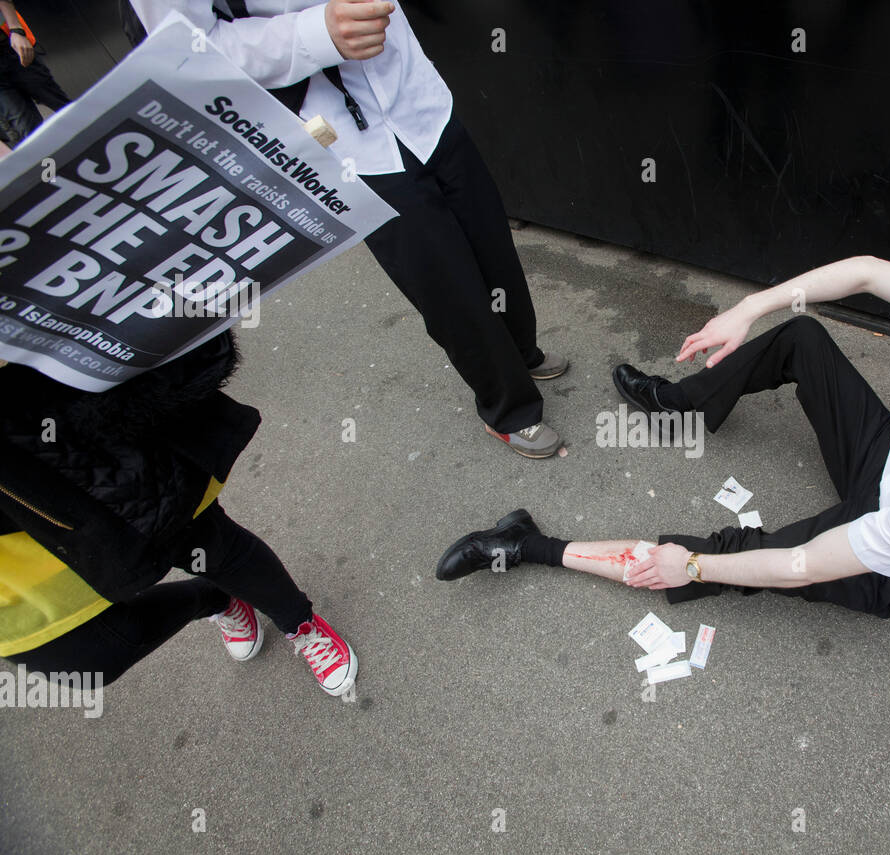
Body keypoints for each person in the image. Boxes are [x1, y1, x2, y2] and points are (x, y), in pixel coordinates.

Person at [436, 185, 890, 617]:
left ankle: (525, 543)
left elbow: (799, 565)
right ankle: (685, 408)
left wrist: (693, 570)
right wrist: (749, 309)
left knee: (712, 557)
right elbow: (864, 270)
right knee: (801, 338)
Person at [129, 0, 568, 458]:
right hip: (339, 135)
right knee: (443, 279)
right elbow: (188, 48)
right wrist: (314, 34)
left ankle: (522, 352)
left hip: (417, 98)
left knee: (491, 240)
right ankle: (507, 407)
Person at [0, 332, 357, 694]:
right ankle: (219, 597)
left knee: (200, 540)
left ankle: (300, 623)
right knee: (87, 660)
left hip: (42, 461)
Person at [0, 2, 72, 146]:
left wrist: (17, 30)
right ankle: (53, 167)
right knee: (27, 131)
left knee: (60, 104)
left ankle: (102, 141)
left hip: (11, 48)